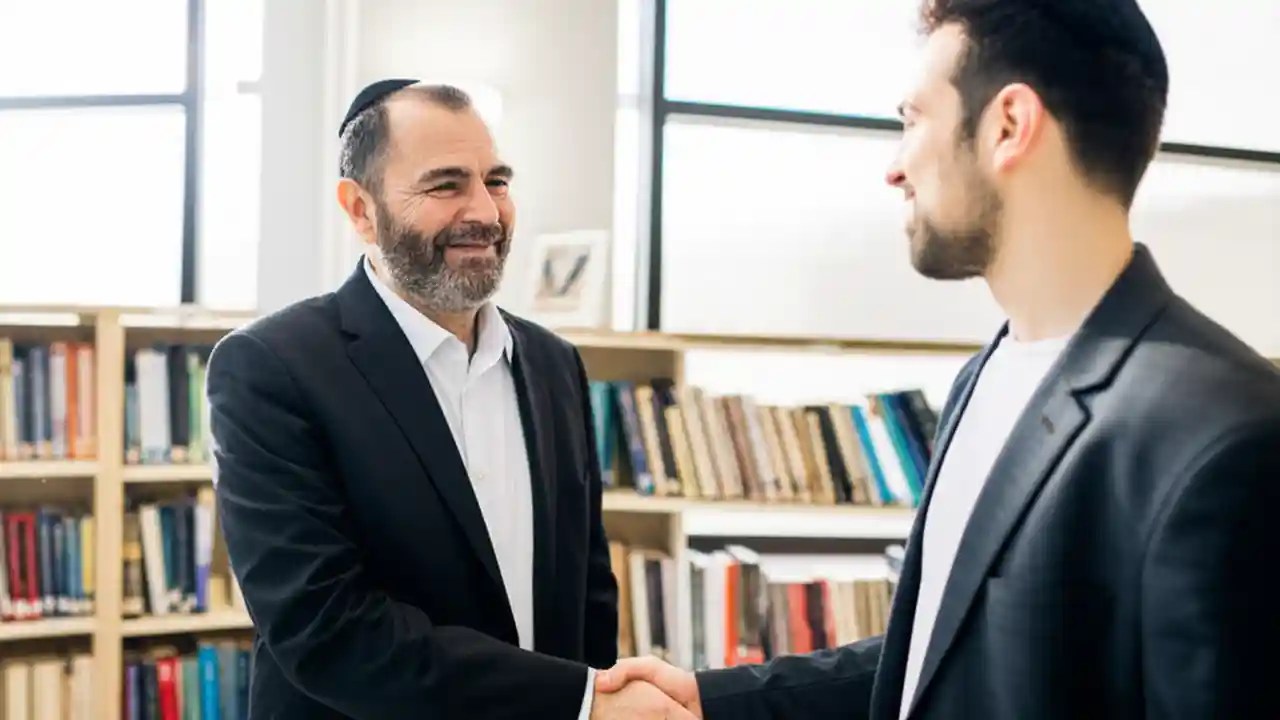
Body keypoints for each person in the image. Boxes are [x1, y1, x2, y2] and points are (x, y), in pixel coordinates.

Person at [596, 0, 1280, 718]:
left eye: (912, 119)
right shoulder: (984, 376)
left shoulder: (1227, 438)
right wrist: (712, 699)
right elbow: (940, 653)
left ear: (1008, 126)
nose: (895, 168)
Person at [207, 80, 692, 719]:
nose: (486, 213)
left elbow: (586, 594)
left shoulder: (554, 364)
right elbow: (326, 628)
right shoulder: (271, 368)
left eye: (496, 181)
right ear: (361, 209)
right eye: (446, 185)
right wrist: (578, 704)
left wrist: (594, 695)